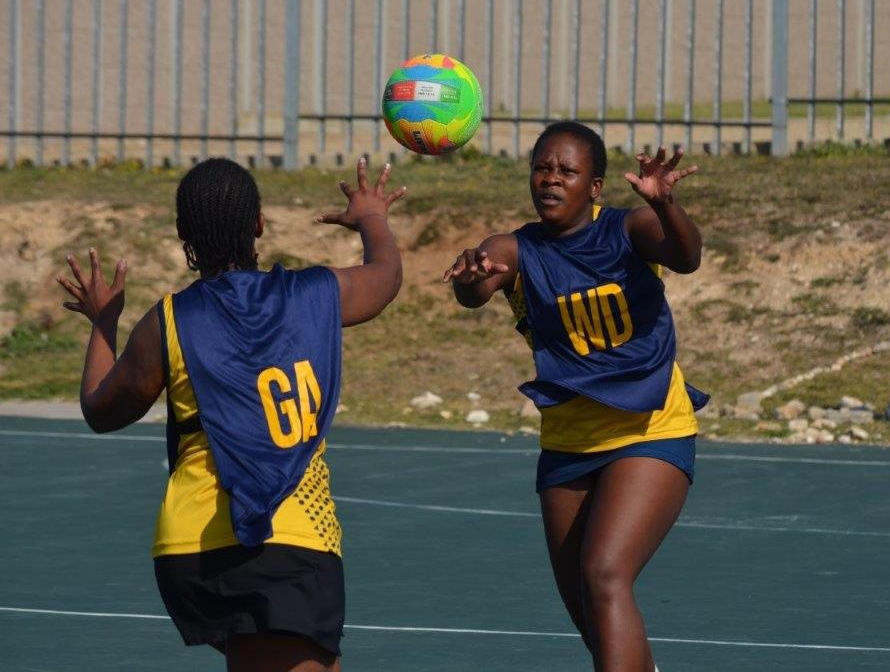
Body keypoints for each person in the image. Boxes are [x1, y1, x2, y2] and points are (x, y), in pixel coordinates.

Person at [56, 156, 405, 671]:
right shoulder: (315, 295)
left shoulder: (167, 321)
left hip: (189, 546)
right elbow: (386, 276)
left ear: (183, 233)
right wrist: (372, 217)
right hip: (274, 541)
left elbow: (100, 409)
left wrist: (104, 323)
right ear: (259, 225)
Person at [442, 121, 706, 672]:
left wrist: (665, 205)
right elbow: (477, 286)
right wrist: (469, 275)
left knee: (605, 573)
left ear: (595, 187)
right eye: (542, 168)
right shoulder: (517, 249)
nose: (551, 179)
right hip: (568, 443)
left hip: (649, 428)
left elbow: (686, 257)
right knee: (591, 611)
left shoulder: (628, 228)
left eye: (567, 170)